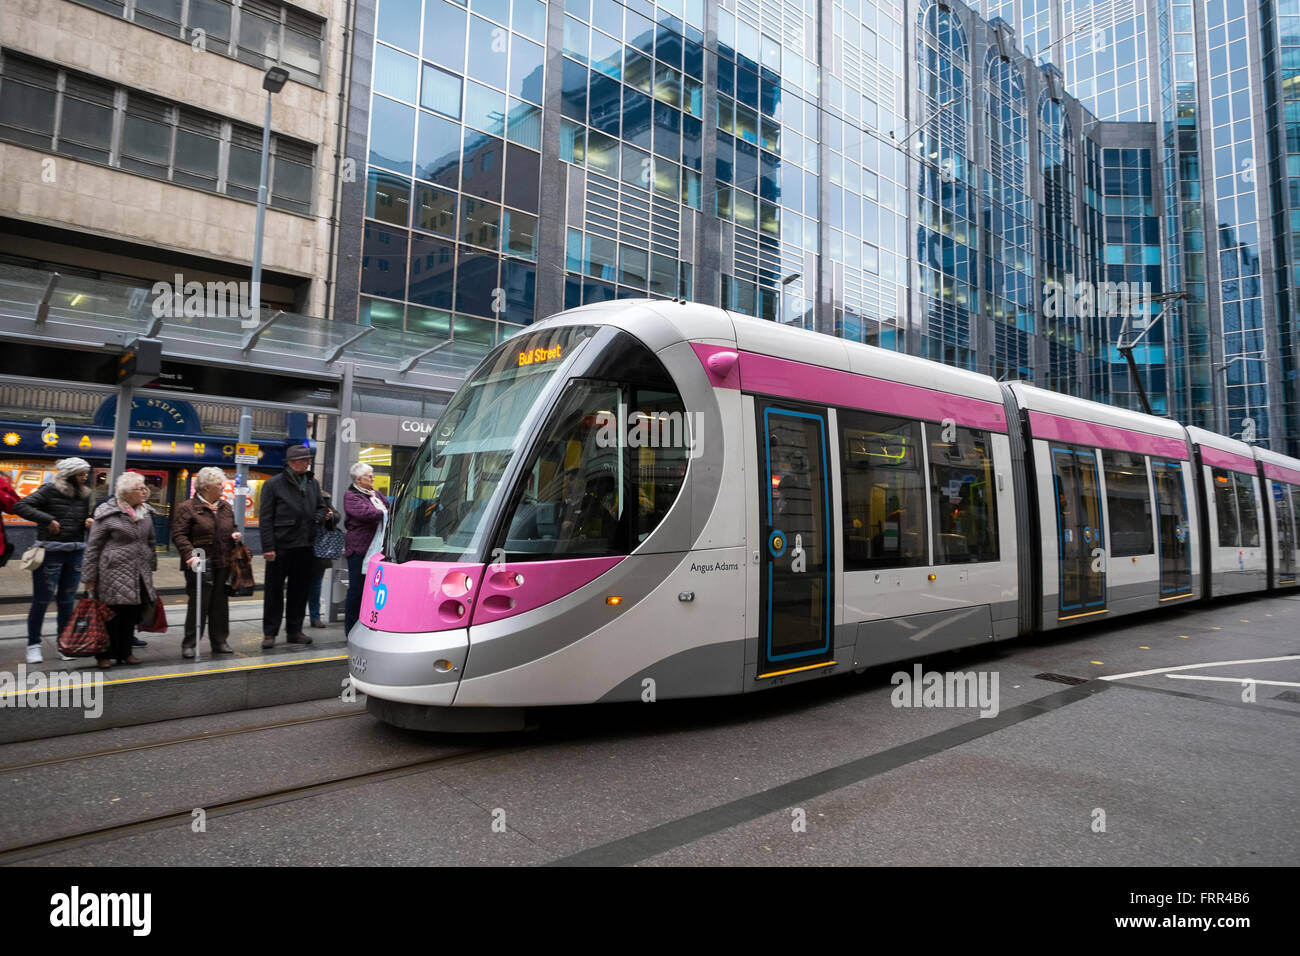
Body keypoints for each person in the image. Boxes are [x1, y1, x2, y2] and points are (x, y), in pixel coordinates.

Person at [14, 457, 94, 664]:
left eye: (86, 473)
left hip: (75, 551)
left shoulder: (84, 494)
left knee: (67, 601)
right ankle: (33, 645)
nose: (85, 477)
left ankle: (63, 644)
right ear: (69, 475)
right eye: (81, 474)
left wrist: (88, 521)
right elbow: (20, 506)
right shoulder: (49, 489)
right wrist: (47, 519)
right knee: (41, 601)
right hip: (50, 552)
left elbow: (82, 517)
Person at [81, 472, 157, 669]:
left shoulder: (146, 512)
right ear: (125, 492)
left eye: (144, 488)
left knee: (131, 615)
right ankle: (104, 655)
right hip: (113, 571)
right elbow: (93, 547)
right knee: (110, 616)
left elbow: (151, 541)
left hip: (139, 571)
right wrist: (89, 578)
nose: (144, 492)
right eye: (139, 488)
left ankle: (126, 653)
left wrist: (151, 564)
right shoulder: (107, 512)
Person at [258, 444, 330, 648]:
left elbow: (321, 506)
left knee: (299, 591)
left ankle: (294, 630)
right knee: (274, 592)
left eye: (308, 460)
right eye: (304, 460)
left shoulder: (312, 483)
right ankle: (270, 633)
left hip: (305, 545)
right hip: (280, 546)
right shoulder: (273, 485)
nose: (308, 463)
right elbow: (265, 518)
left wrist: (316, 519)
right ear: (292, 463)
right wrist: (268, 547)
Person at [171, 466, 241, 658]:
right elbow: (179, 535)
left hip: (223, 561)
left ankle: (220, 641)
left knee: (220, 604)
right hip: (199, 562)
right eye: (219, 484)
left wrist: (234, 534)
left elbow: (231, 526)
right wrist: (189, 554)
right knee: (198, 603)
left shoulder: (225, 506)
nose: (223, 486)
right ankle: (190, 643)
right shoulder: (187, 508)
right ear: (206, 487)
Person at [344, 462, 389, 634]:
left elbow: (388, 507)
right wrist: (384, 512)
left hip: (376, 550)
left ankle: (366, 624)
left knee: (371, 590)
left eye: (372, 475)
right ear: (358, 479)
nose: (373, 478)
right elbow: (366, 514)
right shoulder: (351, 496)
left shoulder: (374, 494)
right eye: (369, 476)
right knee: (356, 589)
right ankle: (351, 628)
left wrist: (385, 511)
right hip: (359, 549)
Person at [307, 492, 337, 630]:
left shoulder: (323, 498)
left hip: (320, 547)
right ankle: (295, 619)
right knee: (299, 586)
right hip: (301, 545)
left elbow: (337, 515)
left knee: (316, 585)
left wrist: (331, 516)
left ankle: (315, 617)